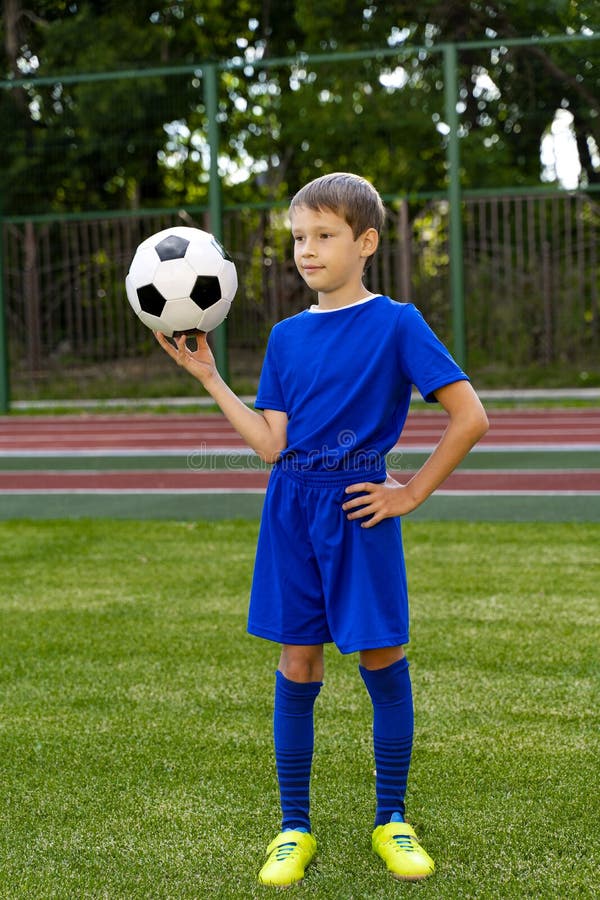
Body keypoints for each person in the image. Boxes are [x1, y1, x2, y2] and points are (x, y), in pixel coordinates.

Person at [155, 172, 489, 887]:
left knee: (381, 663)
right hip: (289, 511)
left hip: (359, 509)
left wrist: (409, 494)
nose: (307, 250)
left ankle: (391, 819)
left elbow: (471, 418)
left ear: (365, 243)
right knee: (298, 664)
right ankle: (294, 828)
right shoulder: (284, 336)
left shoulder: (398, 323)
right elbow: (271, 447)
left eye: (324, 235)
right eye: (299, 237)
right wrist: (212, 379)